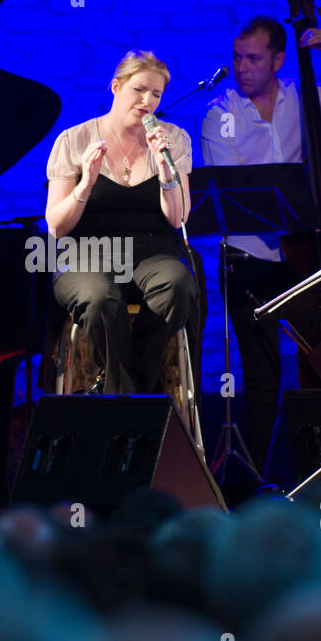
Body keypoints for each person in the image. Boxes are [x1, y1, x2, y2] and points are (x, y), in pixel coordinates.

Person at [200, 16, 321, 476]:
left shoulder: (304, 98)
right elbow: (240, 197)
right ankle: (256, 481)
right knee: (263, 376)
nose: (241, 67)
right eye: (237, 58)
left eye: (253, 58)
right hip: (247, 261)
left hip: (303, 257)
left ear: (278, 60)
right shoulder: (220, 115)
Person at [45, 51, 197, 395]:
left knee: (178, 285)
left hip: (152, 252)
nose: (147, 101)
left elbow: (178, 219)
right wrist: (85, 184)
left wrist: (165, 172)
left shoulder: (173, 140)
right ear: (116, 86)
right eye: (139, 90)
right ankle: (136, 396)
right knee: (100, 298)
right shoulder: (74, 140)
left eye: (156, 94)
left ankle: (124, 390)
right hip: (86, 253)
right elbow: (56, 226)